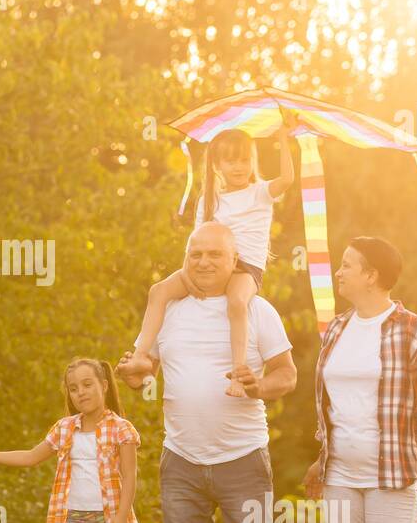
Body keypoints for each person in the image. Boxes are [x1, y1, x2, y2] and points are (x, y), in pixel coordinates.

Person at [119, 222, 297, 523]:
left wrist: (259, 387)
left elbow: (288, 375)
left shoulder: (257, 309)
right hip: (180, 461)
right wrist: (135, 377)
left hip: (244, 459)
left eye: (215, 254)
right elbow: (146, 371)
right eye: (195, 254)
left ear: (235, 259)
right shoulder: (169, 310)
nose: (203, 262)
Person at [119, 113, 297, 397]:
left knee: (237, 303)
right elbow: (196, 243)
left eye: (244, 160)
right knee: (159, 290)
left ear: (252, 161)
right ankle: (141, 354)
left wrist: (283, 140)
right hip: (209, 265)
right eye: (231, 161)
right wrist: (187, 276)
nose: (239, 167)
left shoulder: (260, 192)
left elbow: (288, 178)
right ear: (217, 165)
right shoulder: (209, 199)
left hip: (245, 269)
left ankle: (238, 374)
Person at [301, 237, 417, 523]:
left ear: (371, 276)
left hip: (392, 475)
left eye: (346, 266)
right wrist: (322, 459)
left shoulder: (415, 330)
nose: (338, 273)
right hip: (338, 475)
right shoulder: (337, 328)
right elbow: (336, 405)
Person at [0, 358, 140, 523]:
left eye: (87, 385)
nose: (81, 392)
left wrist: (120, 519)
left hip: (109, 517)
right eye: (73, 389)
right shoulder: (64, 428)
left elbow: (129, 477)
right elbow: (31, 457)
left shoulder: (122, 429)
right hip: (70, 517)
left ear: (104, 386)